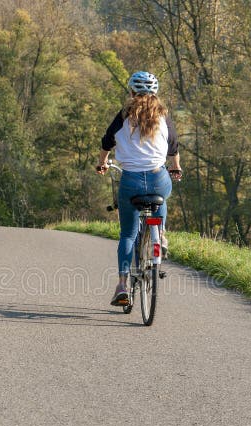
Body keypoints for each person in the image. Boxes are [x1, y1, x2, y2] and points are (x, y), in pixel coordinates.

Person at [96, 71, 182, 306]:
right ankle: (161, 235)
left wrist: (102, 162)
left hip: (131, 181)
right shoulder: (163, 116)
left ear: (131, 92)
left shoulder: (124, 115)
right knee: (162, 198)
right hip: (158, 178)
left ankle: (122, 285)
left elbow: (107, 141)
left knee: (128, 234)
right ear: (155, 93)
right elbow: (173, 145)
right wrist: (176, 168)